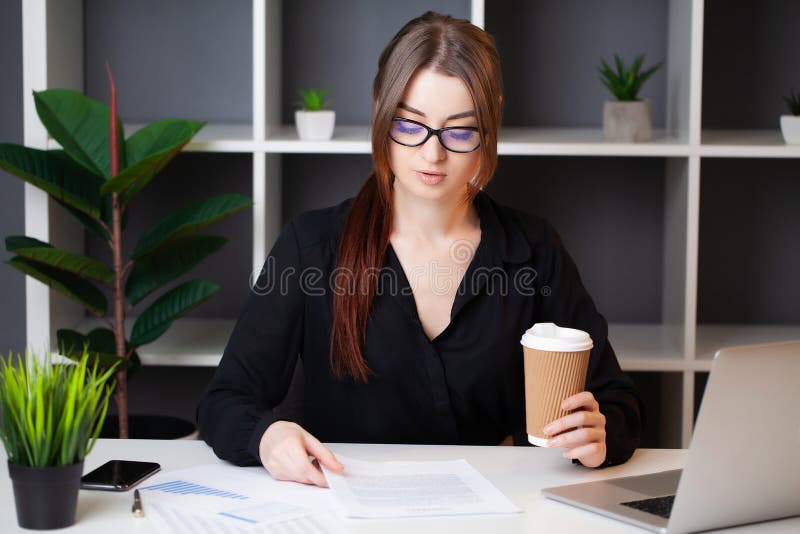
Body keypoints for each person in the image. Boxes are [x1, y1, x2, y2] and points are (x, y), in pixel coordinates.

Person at [197, 11, 643, 487]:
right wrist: (268, 437)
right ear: (380, 109)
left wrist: (599, 433)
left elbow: (616, 401)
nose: (432, 154)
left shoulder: (533, 251)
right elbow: (224, 402)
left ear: (491, 120)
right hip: (347, 510)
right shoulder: (311, 246)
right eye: (410, 125)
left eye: (460, 131)